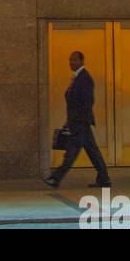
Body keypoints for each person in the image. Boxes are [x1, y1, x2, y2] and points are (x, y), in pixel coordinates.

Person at [45, 51, 111, 189]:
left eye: (74, 60)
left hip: (80, 122)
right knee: (92, 151)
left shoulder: (84, 78)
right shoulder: (77, 78)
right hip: (79, 122)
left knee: (72, 152)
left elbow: (87, 102)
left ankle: (56, 178)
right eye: (70, 60)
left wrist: (75, 119)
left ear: (82, 61)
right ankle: (104, 178)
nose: (71, 63)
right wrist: (69, 119)